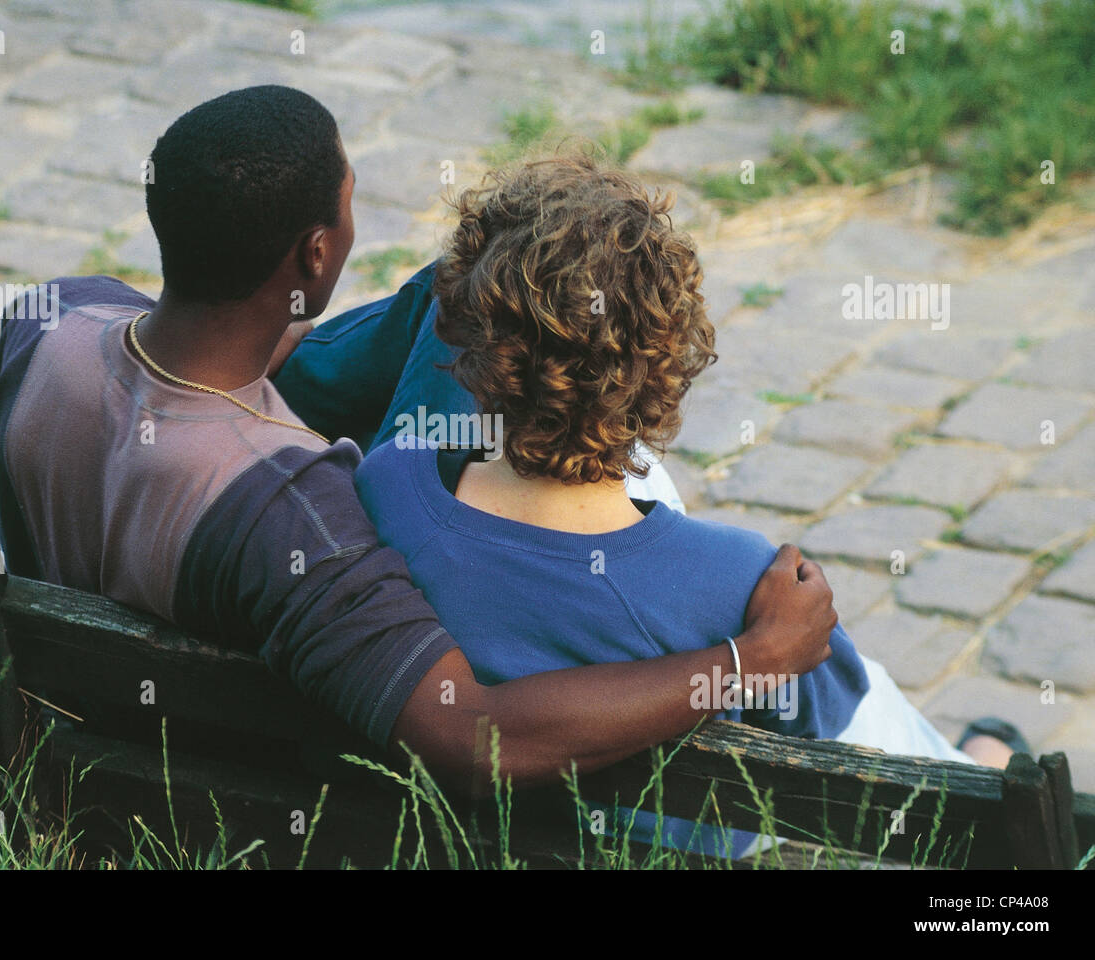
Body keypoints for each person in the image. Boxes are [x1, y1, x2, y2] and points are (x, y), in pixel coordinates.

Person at [0, 85, 841, 798]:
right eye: (350, 206)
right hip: (209, 797)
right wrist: (748, 657)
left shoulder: (47, 325)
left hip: (74, 728)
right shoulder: (293, 516)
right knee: (443, 296)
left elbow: (188, 336)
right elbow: (474, 738)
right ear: (318, 254)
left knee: (441, 294)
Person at [349, 154, 1016, 848]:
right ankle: (984, 769)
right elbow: (860, 753)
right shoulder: (739, 584)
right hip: (682, 841)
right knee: (873, 707)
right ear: (667, 364)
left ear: (471, 345)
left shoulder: (389, 485)